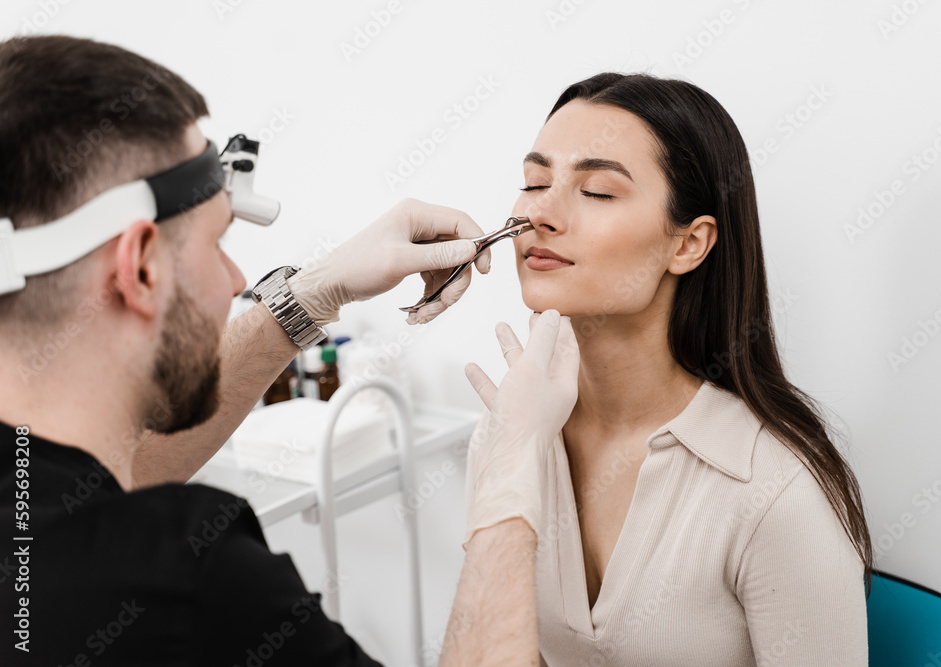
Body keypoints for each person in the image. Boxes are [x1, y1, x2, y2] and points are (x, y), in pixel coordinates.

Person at [0, 35, 573, 666]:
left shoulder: (39, 503)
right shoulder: (184, 580)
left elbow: (101, 483)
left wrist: (313, 294)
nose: (234, 280)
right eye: (217, 242)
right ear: (138, 268)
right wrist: (510, 468)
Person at [463, 73, 874, 666]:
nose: (539, 215)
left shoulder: (772, 491)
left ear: (688, 244)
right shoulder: (510, 431)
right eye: (534, 181)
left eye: (597, 192)